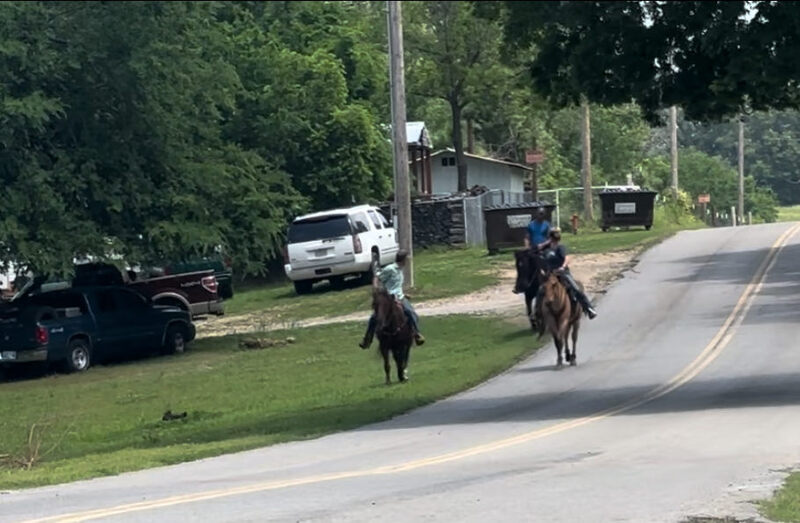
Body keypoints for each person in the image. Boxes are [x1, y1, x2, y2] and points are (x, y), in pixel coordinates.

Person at [359, 250, 425, 349]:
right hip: (389, 298)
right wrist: (376, 289)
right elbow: (377, 277)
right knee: (374, 317)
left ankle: (416, 334)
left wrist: (404, 294)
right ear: (403, 260)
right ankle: (367, 339)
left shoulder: (400, 270)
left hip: (400, 297)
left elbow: (395, 285)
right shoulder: (390, 269)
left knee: (412, 313)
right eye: (407, 259)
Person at [539, 229, 597, 319]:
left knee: (576, 289)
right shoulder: (546, 249)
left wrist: (562, 266)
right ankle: (537, 314)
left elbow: (567, 258)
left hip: (562, 273)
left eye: (556, 238)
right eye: (553, 238)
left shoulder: (560, 247)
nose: (555, 240)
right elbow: (539, 253)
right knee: (540, 291)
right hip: (550, 274)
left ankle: (589, 309)